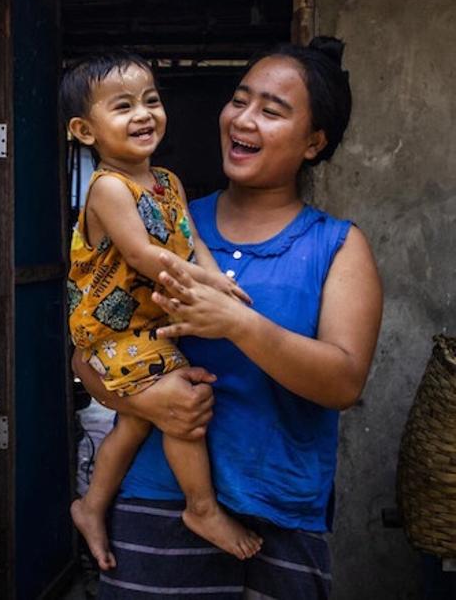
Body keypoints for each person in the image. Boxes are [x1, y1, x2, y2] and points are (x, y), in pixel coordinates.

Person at [73, 37, 383, 599]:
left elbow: (343, 382)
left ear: (314, 143)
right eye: (240, 100)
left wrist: (238, 323)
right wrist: (142, 400)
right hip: (155, 502)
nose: (244, 118)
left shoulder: (336, 248)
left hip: (279, 513)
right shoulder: (160, 222)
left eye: (271, 110)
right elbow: (89, 355)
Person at [61, 52, 263, 572]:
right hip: (110, 331)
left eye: (151, 100)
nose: (144, 113)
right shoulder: (108, 188)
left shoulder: (168, 183)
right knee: (182, 406)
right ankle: (202, 509)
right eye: (123, 106)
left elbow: (191, 242)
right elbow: (143, 256)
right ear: (85, 130)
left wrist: (220, 281)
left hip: (144, 327)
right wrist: (206, 288)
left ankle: (91, 505)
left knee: (133, 423)